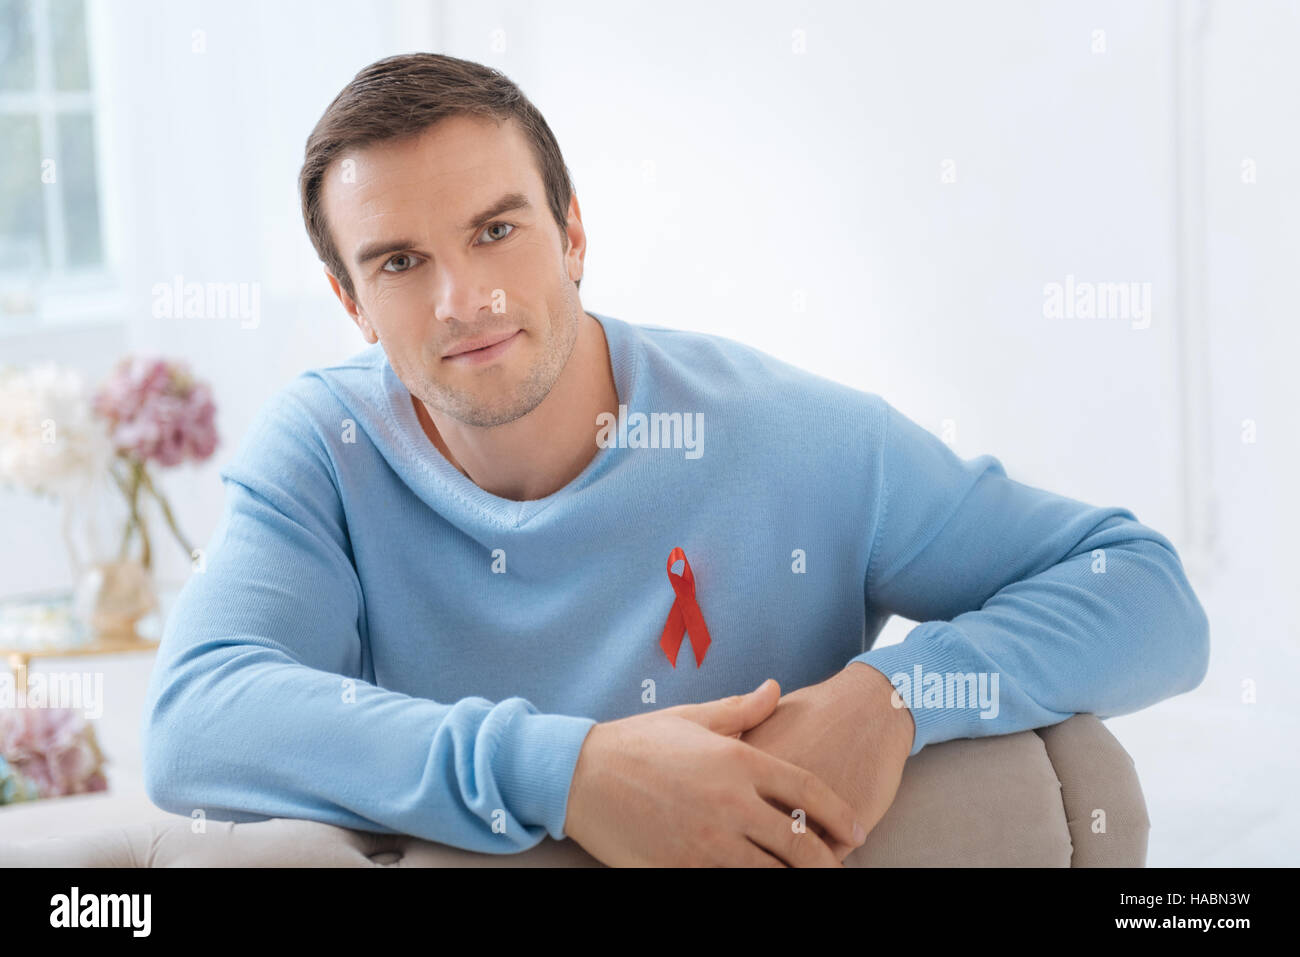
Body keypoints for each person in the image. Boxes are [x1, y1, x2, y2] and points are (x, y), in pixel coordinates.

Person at [141, 52, 1210, 867]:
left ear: (572, 235)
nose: (464, 300)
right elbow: (197, 722)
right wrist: (574, 774)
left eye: (497, 231)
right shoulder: (325, 449)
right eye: (400, 261)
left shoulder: (797, 439)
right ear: (351, 302)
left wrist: (890, 698)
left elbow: (1147, 593)